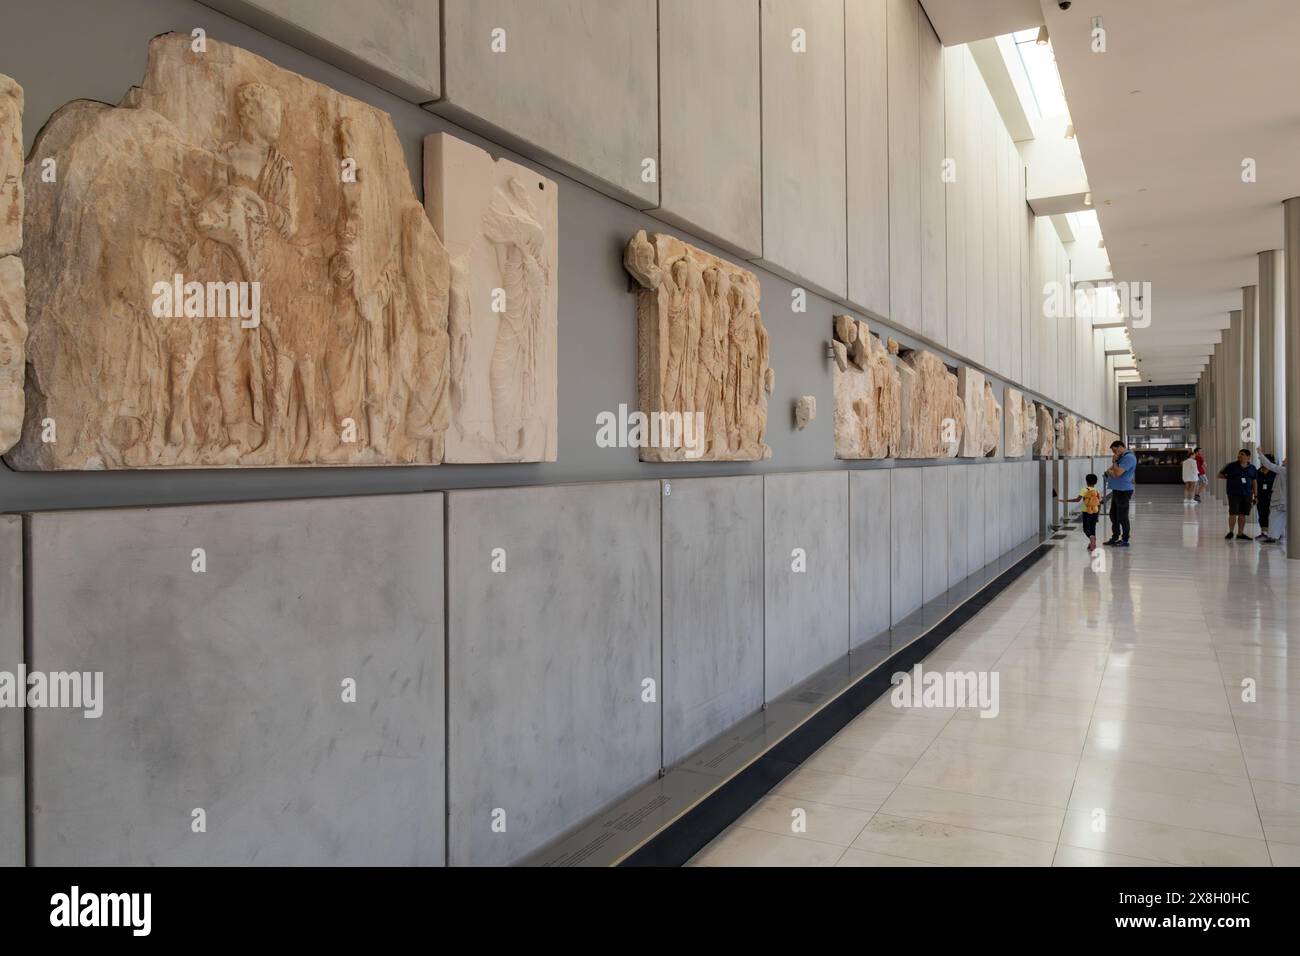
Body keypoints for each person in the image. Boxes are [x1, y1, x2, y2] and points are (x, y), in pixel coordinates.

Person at [1217, 448, 1258, 540]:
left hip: (1247, 494)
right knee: (1233, 513)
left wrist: (1255, 495)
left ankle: (1240, 533)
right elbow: (1219, 475)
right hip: (1233, 493)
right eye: (1239, 454)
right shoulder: (1231, 466)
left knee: (1242, 514)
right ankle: (1231, 532)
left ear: (1248, 457)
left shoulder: (1252, 468)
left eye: (1242, 454)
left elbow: (1254, 482)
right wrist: (1231, 478)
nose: (1239, 456)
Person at [1055, 473, 1102, 551]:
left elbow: (1077, 500)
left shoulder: (1084, 490)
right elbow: (1099, 503)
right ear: (1096, 482)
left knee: (1086, 528)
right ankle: (1092, 543)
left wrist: (1065, 501)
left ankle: (1091, 538)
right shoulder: (1096, 491)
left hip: (1086, 512)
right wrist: (1098, 514)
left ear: (1086, 481)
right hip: (1095, 511)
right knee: (1093, 527)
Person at [1104, 440, 1137, 547]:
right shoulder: (1122, 457)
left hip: (1123, 490)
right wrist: (1112, 470)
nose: (1114, 453)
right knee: (1113, 515)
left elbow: (1117, 473)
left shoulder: (1129, 458)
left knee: (1122, 516)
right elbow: (1110, 470)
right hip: (1117, 489)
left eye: (1114, 450)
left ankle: (1125, 539)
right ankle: (1115, 537)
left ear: (1119, 447)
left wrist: (1114, 462)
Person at [1257, 452, 1287, 544]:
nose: (1283, 461)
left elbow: (1270, 465)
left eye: (1285, 459)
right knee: (1281, 520)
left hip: (1279, 501)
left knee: (1274, 518)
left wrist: (1260, 454)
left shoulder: (1284, 470)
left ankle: (1272, 537)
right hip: (1284, 500)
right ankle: (1278, 535)